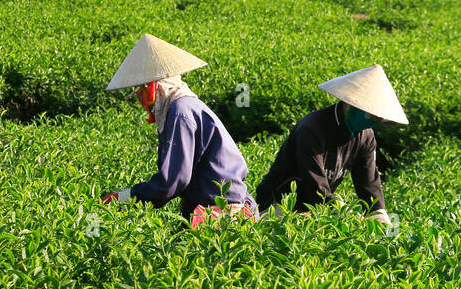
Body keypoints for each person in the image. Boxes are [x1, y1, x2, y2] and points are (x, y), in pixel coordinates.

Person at [101, 33, 256, 227]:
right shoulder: (182, 107)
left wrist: (125, 197)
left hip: (220, 213)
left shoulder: (180, 111)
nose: (139, 99)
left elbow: (172, 182)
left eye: (140, 92)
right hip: (207, 207)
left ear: (152, 88)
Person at [254, 64, 407, 225]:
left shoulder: (365, 136)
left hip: (316, 207)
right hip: (278, 205)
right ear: (351, 104)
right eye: (371, 115)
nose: (373, 122)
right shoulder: (312, 128)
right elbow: (314, 180)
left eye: (377, 119)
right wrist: (341, 212)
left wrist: (378, 214)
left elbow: (368, 181)